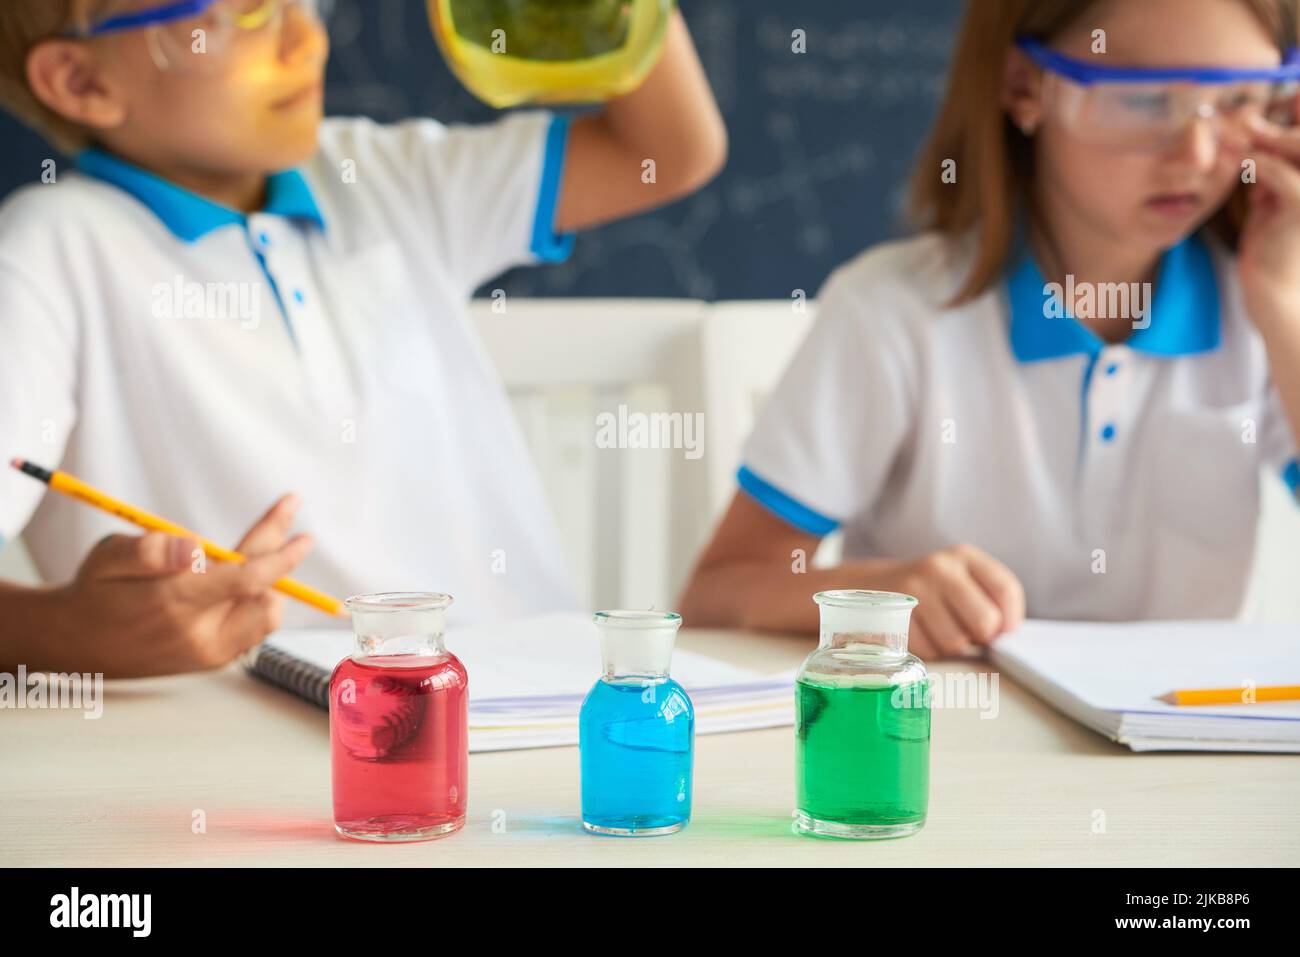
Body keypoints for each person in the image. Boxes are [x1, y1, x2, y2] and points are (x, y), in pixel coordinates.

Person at [0, 0, 726, 676]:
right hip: (288, 741)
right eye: (245, 13)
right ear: (80, 79)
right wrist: (67, 631)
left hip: (539, 697)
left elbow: (667, 148)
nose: (306, 39)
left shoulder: (378, 176)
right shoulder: (50, 250)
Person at [681, 0, 1300, 659]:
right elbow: (715, 592)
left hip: (1187, 753)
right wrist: (877, 598)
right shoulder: (894, 314)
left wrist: (1283, 310)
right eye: (1143, 100)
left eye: (1240, 97)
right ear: (1023, 87)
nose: (1199, 154)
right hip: (952, 747)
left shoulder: (1262, 307)